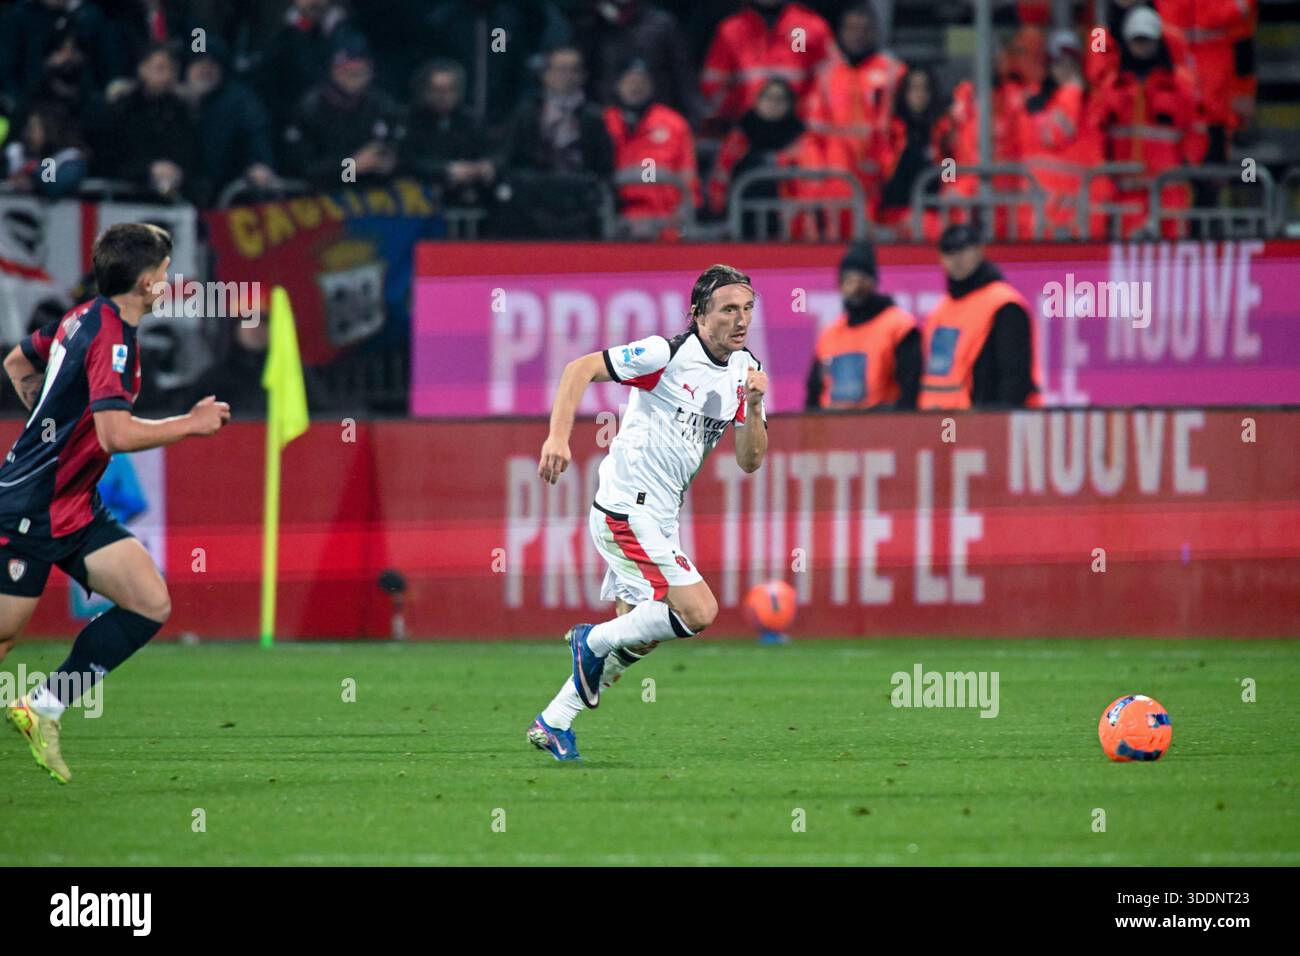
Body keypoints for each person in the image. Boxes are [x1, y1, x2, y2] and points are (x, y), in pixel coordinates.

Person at [1, 223, 231, 784]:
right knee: (4, 636)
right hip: (29, 508)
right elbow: (115, 436)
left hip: (75, 506)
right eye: (167, 272)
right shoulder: (112, 340)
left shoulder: (84, 317)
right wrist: (191, 425)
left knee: (150, 603)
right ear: (149, 283)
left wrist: (49, 426)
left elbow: (17, 362)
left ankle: (44, 707)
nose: (171, 281)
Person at [528, 264, 768, 760]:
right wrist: (557, 437)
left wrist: (757, 405)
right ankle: (588, 641)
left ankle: (555, 720)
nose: (740, 319)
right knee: (698, 611)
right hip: (626, 507)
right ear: (700, 315)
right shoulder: (667, 354)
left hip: (661, 516)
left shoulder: (745, 370)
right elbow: (580, 368)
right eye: (728, 309)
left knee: (639, 634)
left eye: (747, 308)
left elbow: (750, 461)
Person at [1088, 6, 1206, 239]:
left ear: (1159, 41)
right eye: (1137, 40)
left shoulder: (1180, 85)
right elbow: (1096, 132)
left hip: (1169, 191)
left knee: (1173, 263)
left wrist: (1190, 167)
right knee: (1128, 269)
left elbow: (1196, 132)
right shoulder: (1112, 86)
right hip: (1125, 193)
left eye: (1147, 40)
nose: (1142, 47)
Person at [917, 224, 1042, 410]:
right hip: (945, 425)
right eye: (948, 253)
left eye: (962, 251)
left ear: (979, 251)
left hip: (984, 423)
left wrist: (995, 423)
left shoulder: (1005, 306)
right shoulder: (940, 311)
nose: (956, 260)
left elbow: (1015, 378)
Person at [804, 3, 907, 221]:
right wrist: (818, 177)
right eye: (851, 29)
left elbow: (900, 127)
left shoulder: (892, 71)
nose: (857, 35)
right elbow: (813, 133)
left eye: (864, 29)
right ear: (840, 32)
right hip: (835, 177)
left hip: (878, 178)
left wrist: (888, 168)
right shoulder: (825, 74)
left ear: (874, 32)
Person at [806, 241, 920, 410]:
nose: (855, 286)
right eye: (849, 279)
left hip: (881, 430)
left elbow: (910, 391)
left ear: (873, 281)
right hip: (834, 431)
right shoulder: (829, 336)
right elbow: (814, 394)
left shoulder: (898, 327)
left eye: (861, 278)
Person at [699, 0, 834, 131]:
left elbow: (830, 85)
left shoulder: (810, 27)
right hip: (745, 133)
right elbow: (713, 87)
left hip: (798, 136)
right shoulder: (731, 30)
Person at [603, 58, 699, 238]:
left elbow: (688, 172)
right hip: (615, 218)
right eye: (629, 81)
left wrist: (685, 210)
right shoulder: (605, 122)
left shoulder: (673, 122)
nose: (635, 87)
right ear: (617, 85)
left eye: (641, 81)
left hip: (666, 219)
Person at [402, 59, 495, 206]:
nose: (444, 96)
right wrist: (447, 170)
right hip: (419, 201)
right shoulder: (410, 121)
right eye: (437, 90)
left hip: (467, 198)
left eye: (450, 90)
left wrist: (484, 167)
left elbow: (489, 152)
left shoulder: (471, 121)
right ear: (425, 91)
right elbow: (407, 160)